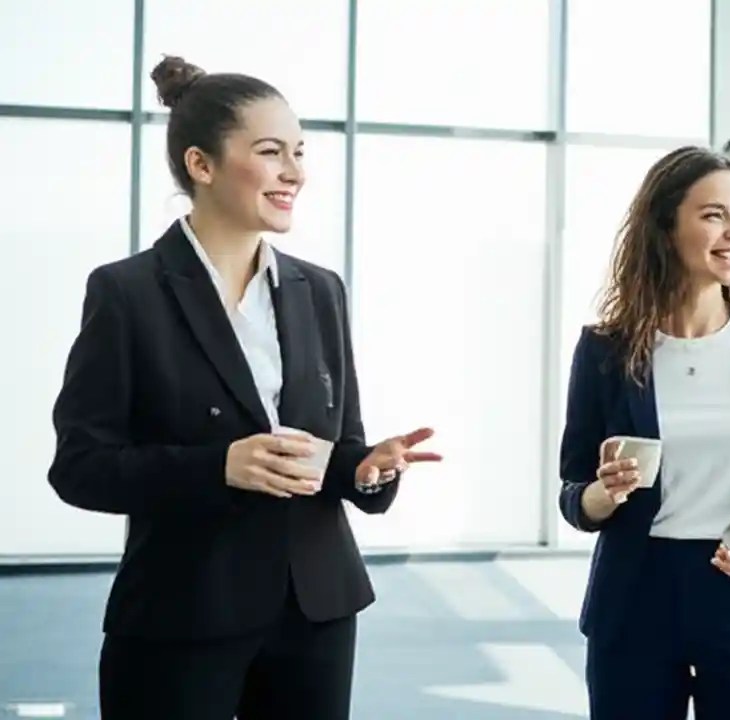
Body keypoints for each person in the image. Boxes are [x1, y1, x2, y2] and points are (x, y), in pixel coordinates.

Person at [47, 55, 441, 720]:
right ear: (201, 165)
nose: (295, 172)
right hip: (182, 611)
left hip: (315, 610)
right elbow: (81, 469)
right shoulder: (126, 293)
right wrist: (218, 467)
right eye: (270, 152)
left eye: (299, 152)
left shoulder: (321, 291)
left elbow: (336, 450)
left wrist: (367, 468)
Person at [559, 146, 730, 719]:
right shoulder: (607, 350)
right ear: (665, 228)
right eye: (714, 215)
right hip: (637, 594)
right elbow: (573, 491)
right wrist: (602, 495)